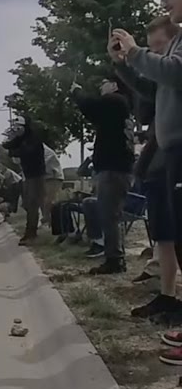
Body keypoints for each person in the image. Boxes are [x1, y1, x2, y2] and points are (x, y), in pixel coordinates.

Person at [111, 0, 182, 330]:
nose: (164, 3)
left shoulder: (176, 54)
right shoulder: (170, 58)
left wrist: (137, 54)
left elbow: (170, 73)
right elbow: (151, 88)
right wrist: (125, 63)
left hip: (173, 153)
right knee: (168, 235)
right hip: (167, 154)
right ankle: (169, 297)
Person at [70, 76, 135, 274]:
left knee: (109, 215)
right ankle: (113, 257)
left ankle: (114, 260)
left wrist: (76, 92)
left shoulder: (114, 100)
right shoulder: (120, 106)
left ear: (114, 85)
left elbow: (90, 107)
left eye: (103, 83)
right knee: (109, 214)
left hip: (113, 169)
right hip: (117, 169)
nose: (100, 87)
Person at [1, 115, 47, 245]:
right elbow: (9, 145)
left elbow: (25, 152)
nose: (16, 130)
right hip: (28, 176)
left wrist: (8, 152)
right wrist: (1, 147)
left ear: (25, 127)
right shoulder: (21, 139)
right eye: (15, 127)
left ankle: (32, 234)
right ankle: (30, 232)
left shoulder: (33, 139)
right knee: (27, 204)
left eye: (19, 127)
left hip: (37, 176)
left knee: (32, 204)